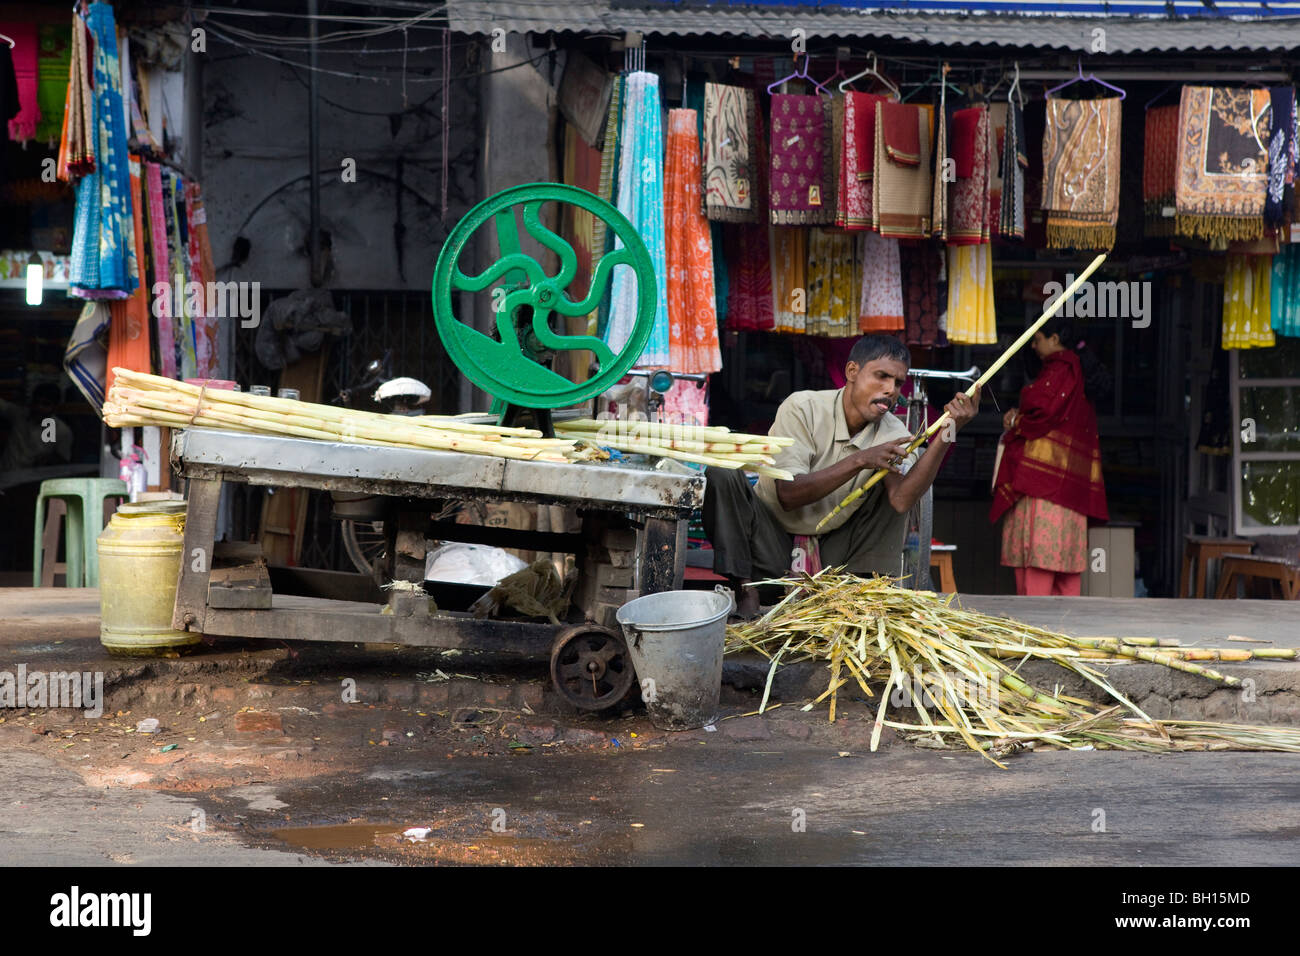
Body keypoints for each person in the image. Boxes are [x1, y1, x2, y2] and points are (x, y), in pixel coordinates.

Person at [704, 334, 980, 618]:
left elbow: (901, 500)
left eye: (897, 382)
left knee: (888, 482)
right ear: (852, 372)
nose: (890, 390)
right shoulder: (803, 408)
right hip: (768, 551)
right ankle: (745, 591)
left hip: (832, 560)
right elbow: (788, 495)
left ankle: (862, 594)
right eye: (881, 376)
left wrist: (949, 430)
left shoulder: (894, 431)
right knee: (722, 473)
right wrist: (860, 460)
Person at [990, 318, 1109, 596]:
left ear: (1054, 339)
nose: (1033, 346)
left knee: (1036, 570)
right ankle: (1069, 639)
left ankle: (1034, 638)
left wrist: (1016, 421)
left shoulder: (1062, 368)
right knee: (1067, 576)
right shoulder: (1079, 371)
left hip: (1044, 487)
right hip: (1072, 490)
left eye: (1037, 339)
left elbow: (1041, 410)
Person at [0, 384, 73, 474]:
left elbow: (64, 463)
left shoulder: (62, 431)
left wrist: (49, 459)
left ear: (55, 407)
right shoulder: (19, 414)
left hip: (31, 481)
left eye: (45, 404)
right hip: (5, 475)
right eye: (36, 402)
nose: (39, 407)